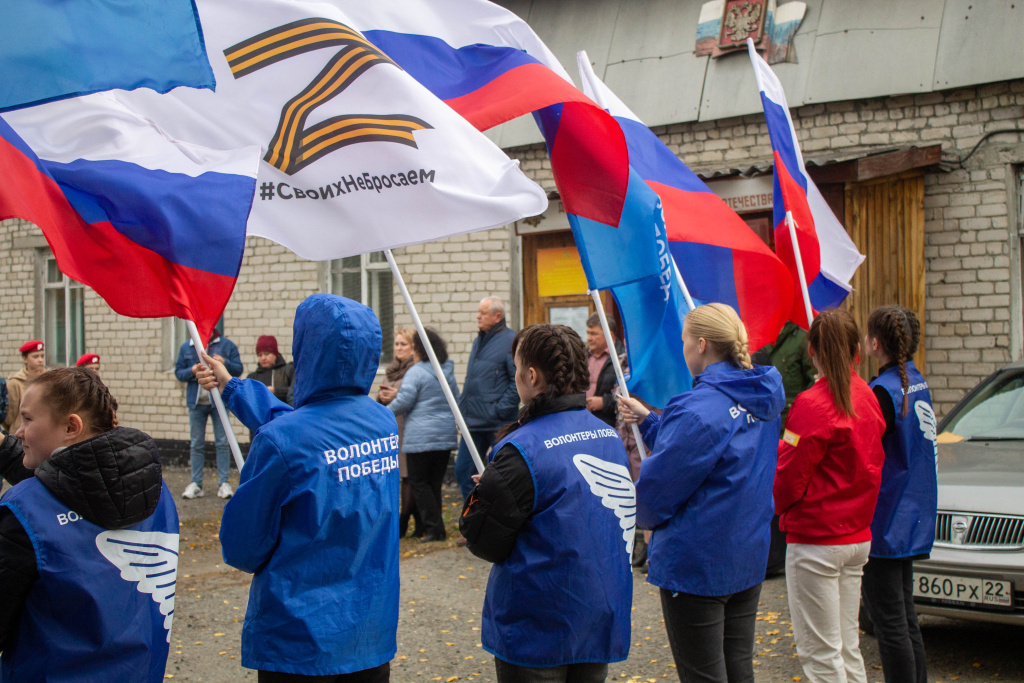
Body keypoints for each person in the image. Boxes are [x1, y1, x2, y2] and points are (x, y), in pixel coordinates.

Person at [194, 294, 399, 681]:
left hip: (298, 645)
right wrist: (233, 386)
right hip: (368, 636)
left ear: (306, 349)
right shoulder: (381, 422)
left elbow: (242, 546)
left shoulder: (281, 442)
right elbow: (312, 431)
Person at [619, 303, 785, 682]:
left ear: (702, 345)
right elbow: (711, 450)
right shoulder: (760, 393)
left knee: (704, 675)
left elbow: (657, 492)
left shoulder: (697, 409)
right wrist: (651, 420)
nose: (682, 348)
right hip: (746, 552)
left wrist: (642, 517)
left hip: (698, 563)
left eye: (683, 341)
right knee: (738, 666)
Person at [460, 324, 633, 683]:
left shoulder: (522, 449)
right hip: (596, 615)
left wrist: (487, 493)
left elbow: (482, 538)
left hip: (537, 628)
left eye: (517, 367)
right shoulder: (608, 436)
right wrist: (501, 487)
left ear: (532, 375)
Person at [0, 367, 178, 682]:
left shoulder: (23, 513)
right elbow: (72, 486)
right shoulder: (154, 490)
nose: (18, 431)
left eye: (27, 419)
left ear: (71, 426)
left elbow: (50, 500)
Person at [774, 308, 885, 683]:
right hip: (856, 536)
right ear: (856, 350)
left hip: (817, 539)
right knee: (845, 647)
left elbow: (789, 478)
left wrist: (777, 507)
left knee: (820, 655)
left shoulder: (811, 404)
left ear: (812, 352)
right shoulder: (867, 395)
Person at [860, 306, 936, 683]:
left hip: (887, 520)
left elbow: (863, 450)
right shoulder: (916, 381)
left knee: (889, 623)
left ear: (875, 343)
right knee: (905, 617)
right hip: (911, 514)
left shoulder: (883, 392)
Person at [387, 328, 459, 543]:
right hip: (445, 436)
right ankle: (438, 529)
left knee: (419, 483)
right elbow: (455, 398)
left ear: (419, 349)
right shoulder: (446, 371)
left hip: (421, 437)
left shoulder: (416, 372)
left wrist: (383, 412)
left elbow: (404, 402)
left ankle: (433, 530)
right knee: (434, 484)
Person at [454, 297, 518, 503]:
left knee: (503, 475)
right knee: (463, 472)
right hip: (472, 421)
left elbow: (517, 380)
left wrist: (499, 409)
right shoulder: (478, 340)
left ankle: (501, 523)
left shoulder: (510, 341)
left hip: (498, 423)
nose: (477, 316)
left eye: (482, 313)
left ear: (497, 316)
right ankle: (474, 520)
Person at [174, 329, 243, 500]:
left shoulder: (226, 345)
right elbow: (178, 372)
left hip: (219, 402)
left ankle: (224, 483)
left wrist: (224, 363)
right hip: (196, 403)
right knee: (196, 443)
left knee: (222, 442)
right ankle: (196, 483)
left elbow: (238, 369)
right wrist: (192, 370)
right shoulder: (186, 347)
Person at [377, 328, 423, 538]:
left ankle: (404, 522)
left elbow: (414, 397)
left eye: (404, 344)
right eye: (396, 344)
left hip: (409, 425)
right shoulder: (392, 369)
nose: (399, 348)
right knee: (401, 474)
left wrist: (397, 395)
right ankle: (415, 522)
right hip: (392, 426)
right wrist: (382, 397)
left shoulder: (415, 369)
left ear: (413, 348)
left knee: (408, 476)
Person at [585, 313, 625, 427]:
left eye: (593, 334)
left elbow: (629, 396)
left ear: (610, 335)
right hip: (583, 423)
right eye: (588, 333)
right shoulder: (582, 356)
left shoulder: (622, 359)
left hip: (609, 425)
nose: (589, 338)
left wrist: (604, 402)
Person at [2, 340, 46, 434]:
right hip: (21, 435)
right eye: (35, 356)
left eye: (42, 356)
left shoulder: (50, 381)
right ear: (24, 359)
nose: (40, 360)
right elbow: (8, 418)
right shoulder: (16, 383)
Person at [246, 335, 294, 405]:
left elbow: (295, 391)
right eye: (260, 355)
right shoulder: (252, 377)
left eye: (266, 354)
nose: (263, 358)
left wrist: (275, 391)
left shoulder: (288, 371)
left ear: (275, 354)